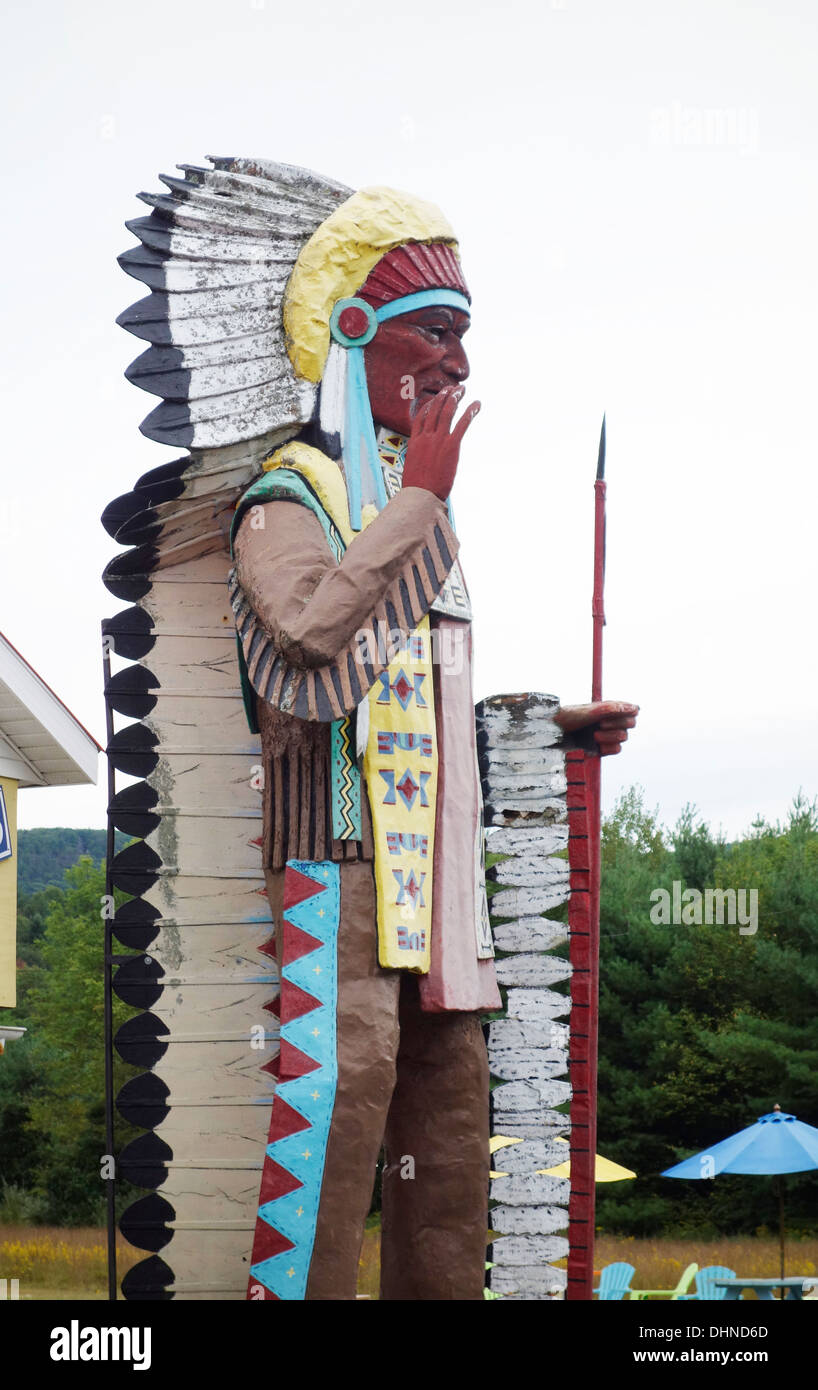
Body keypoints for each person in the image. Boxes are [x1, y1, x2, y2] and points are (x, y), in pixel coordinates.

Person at [228, 195, 637, 1300]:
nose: (458, 362)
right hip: (334, 862)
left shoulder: (426, 519)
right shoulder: (286, 497)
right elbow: (307, 642)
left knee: (451, 1133)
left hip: (437, 881)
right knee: (335, 1101)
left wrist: (546, 734)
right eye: (437, 331)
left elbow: (424, 695)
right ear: (353, 331)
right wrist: (416, 501)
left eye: (463, 335)